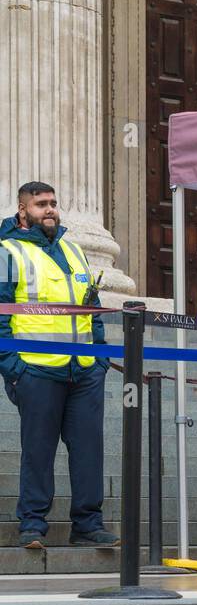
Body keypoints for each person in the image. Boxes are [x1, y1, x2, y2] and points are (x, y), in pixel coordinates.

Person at [0, 182, 118, 549]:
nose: (49, 209)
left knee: (88, 450)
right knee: (38, 450)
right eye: (40, 204)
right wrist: (12, 367)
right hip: (35, 370)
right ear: (23, 211)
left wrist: (99, 357)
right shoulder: (7, 253)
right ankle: (33, 525)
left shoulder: (73, 248)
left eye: (52, 203)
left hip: (83, 370)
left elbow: (90, 305)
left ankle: (88, 524)